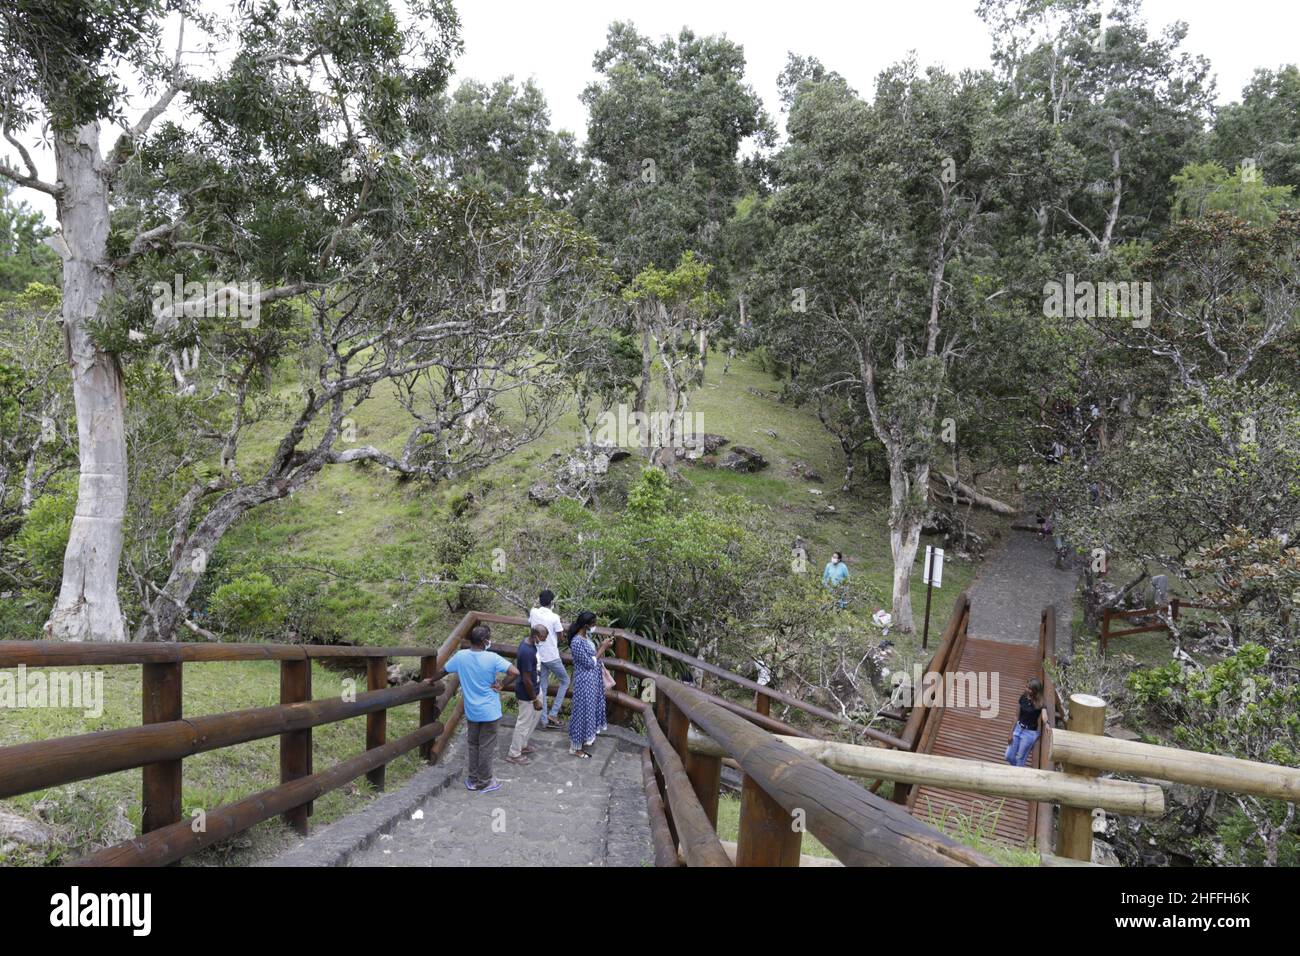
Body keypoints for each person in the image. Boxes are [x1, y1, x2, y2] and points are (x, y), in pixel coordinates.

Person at [443, 624, 517, 793]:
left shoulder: (461, 656)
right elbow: (515, 672)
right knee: (486, 746)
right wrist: (502, 684)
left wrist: (431, 680)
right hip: (490, 711)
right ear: (484, 641)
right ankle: (484, 782)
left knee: (473, 744)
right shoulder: (493, 658)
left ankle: (472, 778)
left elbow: (443, 671)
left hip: (472, 711)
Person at [565, 610, 612, 758]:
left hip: (592, 681)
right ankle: (575, 747)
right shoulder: (577, 642)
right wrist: (603, 648)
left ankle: (585, 739)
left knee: (590, 710)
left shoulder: (586, 637)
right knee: (582, 711)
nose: (595, 626)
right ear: (586, 625)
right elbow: (589, 663)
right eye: (593, 624)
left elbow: (593, 658)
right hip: (584, 681)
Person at [505, 625, 545, 766]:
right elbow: (526, 678)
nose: (543, 641)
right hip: (527, 693)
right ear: (535, 636)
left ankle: (523, 744)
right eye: (542, 638)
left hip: (535, 687)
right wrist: (534, 699)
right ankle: (514, 753)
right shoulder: (527, 652)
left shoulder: (529, 643)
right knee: (523, 723)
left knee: (535, 717)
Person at [529, 589, 569, 730]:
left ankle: (544, 719)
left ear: (539, 600)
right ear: (552, 602)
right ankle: (553, 713)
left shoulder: (533, 612)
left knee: (543, 687)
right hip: (551, 655)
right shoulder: (554, 617)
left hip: (538, 654)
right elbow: (560, 637)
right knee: (565, 680)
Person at [1005, 677, 1049, 768]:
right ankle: (1017, 769)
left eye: (1029, 688)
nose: (1026, 689)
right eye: (1026, 687)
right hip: (1018, 729)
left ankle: (1017, 775)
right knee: (1008, 756)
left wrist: (1047, 723)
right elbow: (1016, 716)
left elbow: (1044, 715)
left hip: (1029, 734)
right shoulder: (1023, 697)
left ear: (1035, 691)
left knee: (1020, 758)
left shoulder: (1040, 702)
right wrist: (1010, 733)